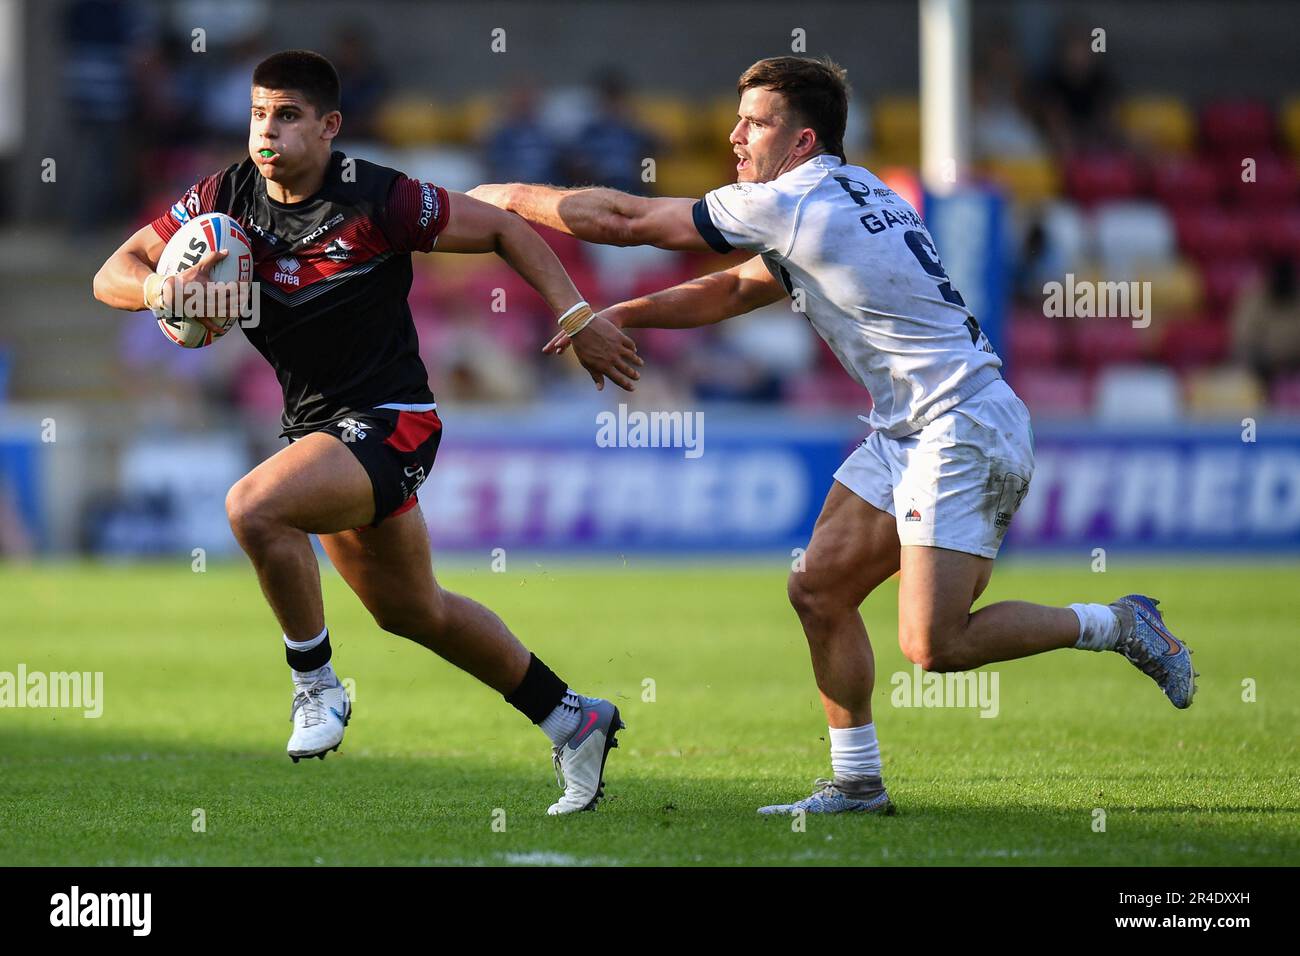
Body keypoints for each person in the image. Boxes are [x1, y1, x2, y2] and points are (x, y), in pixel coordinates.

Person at [470, 55, 1198, 816]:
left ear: (803, 140)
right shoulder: (854, 191)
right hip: (910, 426)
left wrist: (506, 198)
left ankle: (1118, 623)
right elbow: (734, 287)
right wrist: (629, 314)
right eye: (738, 117)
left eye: (755, 122)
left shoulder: (794, 199)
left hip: (961, 425)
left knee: (936, 646)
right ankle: (857, 784)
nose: (735, 135)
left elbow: (623, 222)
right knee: (819, 590)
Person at [92, 50, 642, 815]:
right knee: (414, 611)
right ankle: (572, 717)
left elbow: (507, 232)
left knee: (254, 506)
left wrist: (577, 316)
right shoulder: (226, 196)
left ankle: (316, 687)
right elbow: (111, 271)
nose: (267, 131)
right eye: (258, 114)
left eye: (287, 115)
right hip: (318, 430)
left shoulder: (380, 198)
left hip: (394, 422)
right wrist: (160, 286)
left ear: (329, 126)